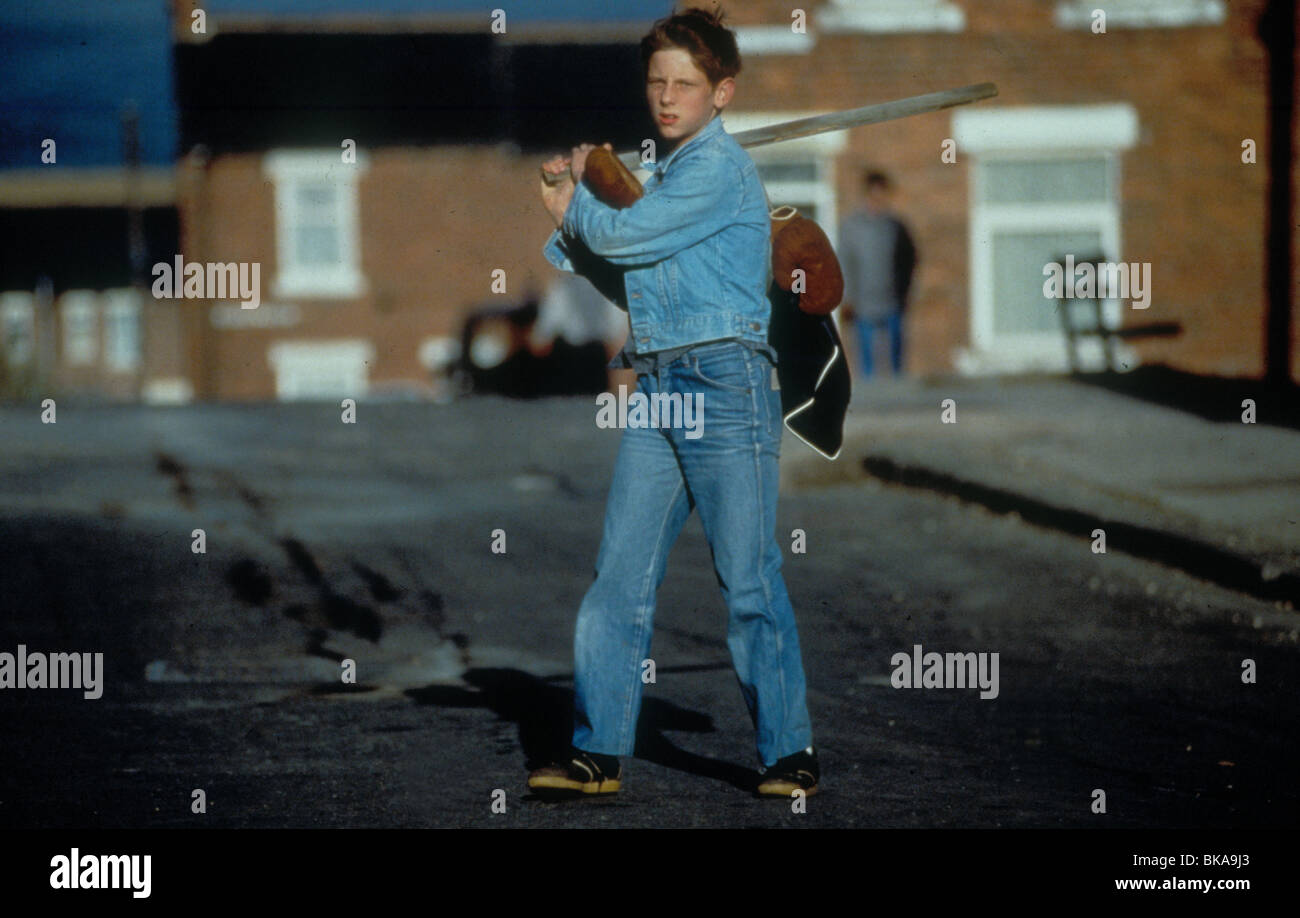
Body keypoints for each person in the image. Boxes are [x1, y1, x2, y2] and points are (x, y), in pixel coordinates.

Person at [530, 6, 819, 798]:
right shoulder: (663, 180)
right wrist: (568, 219)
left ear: (721, 93)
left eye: (685, 85)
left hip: (726, 385)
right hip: (659, 386)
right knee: (618, 576)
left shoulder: (719, 172)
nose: (666, 97)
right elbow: (626, 275)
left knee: (749, 580)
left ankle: (790, 755)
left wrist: (591, 185)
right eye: (656, 81)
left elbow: (625, 239)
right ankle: (597, 753)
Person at [838, 170, 917, 377]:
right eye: (874, 194)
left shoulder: (896, 227)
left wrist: (905, 292)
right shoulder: (852, 227)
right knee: (866, 364)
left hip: (892, 301)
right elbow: (845, 263)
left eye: (882, 194)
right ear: (866, 194)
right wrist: (848, 298)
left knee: (896, 362)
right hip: (863, 303)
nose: (878, 199)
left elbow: (909, 260)